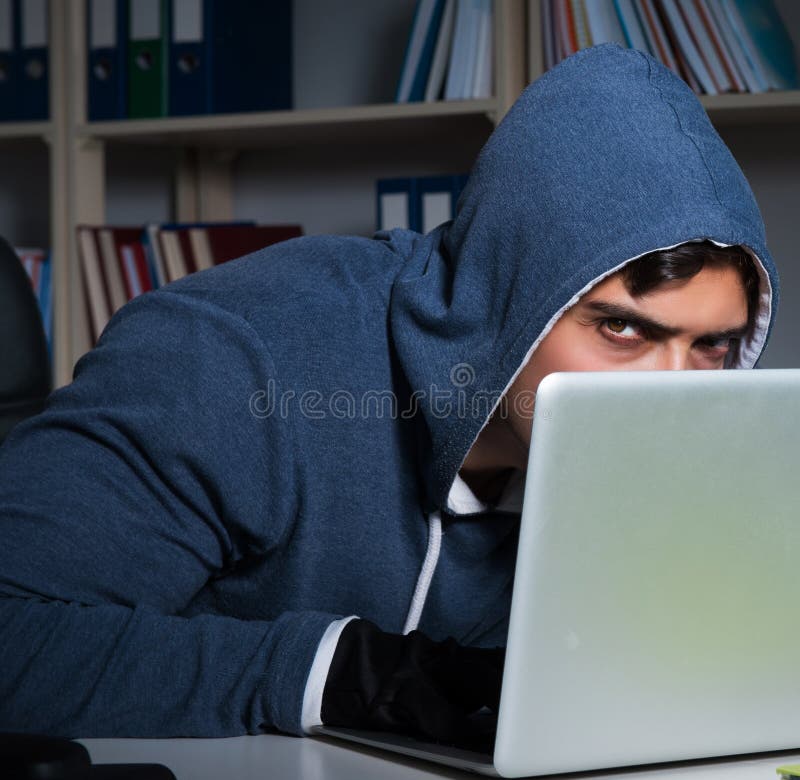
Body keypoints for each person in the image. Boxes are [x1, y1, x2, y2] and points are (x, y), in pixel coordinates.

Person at [0, 42, 779, 748]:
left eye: (710, 344)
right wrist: (344, 672)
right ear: (515, 302)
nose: (673, 398)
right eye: (621, 331)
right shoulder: (238, 359)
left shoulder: (656, 440)